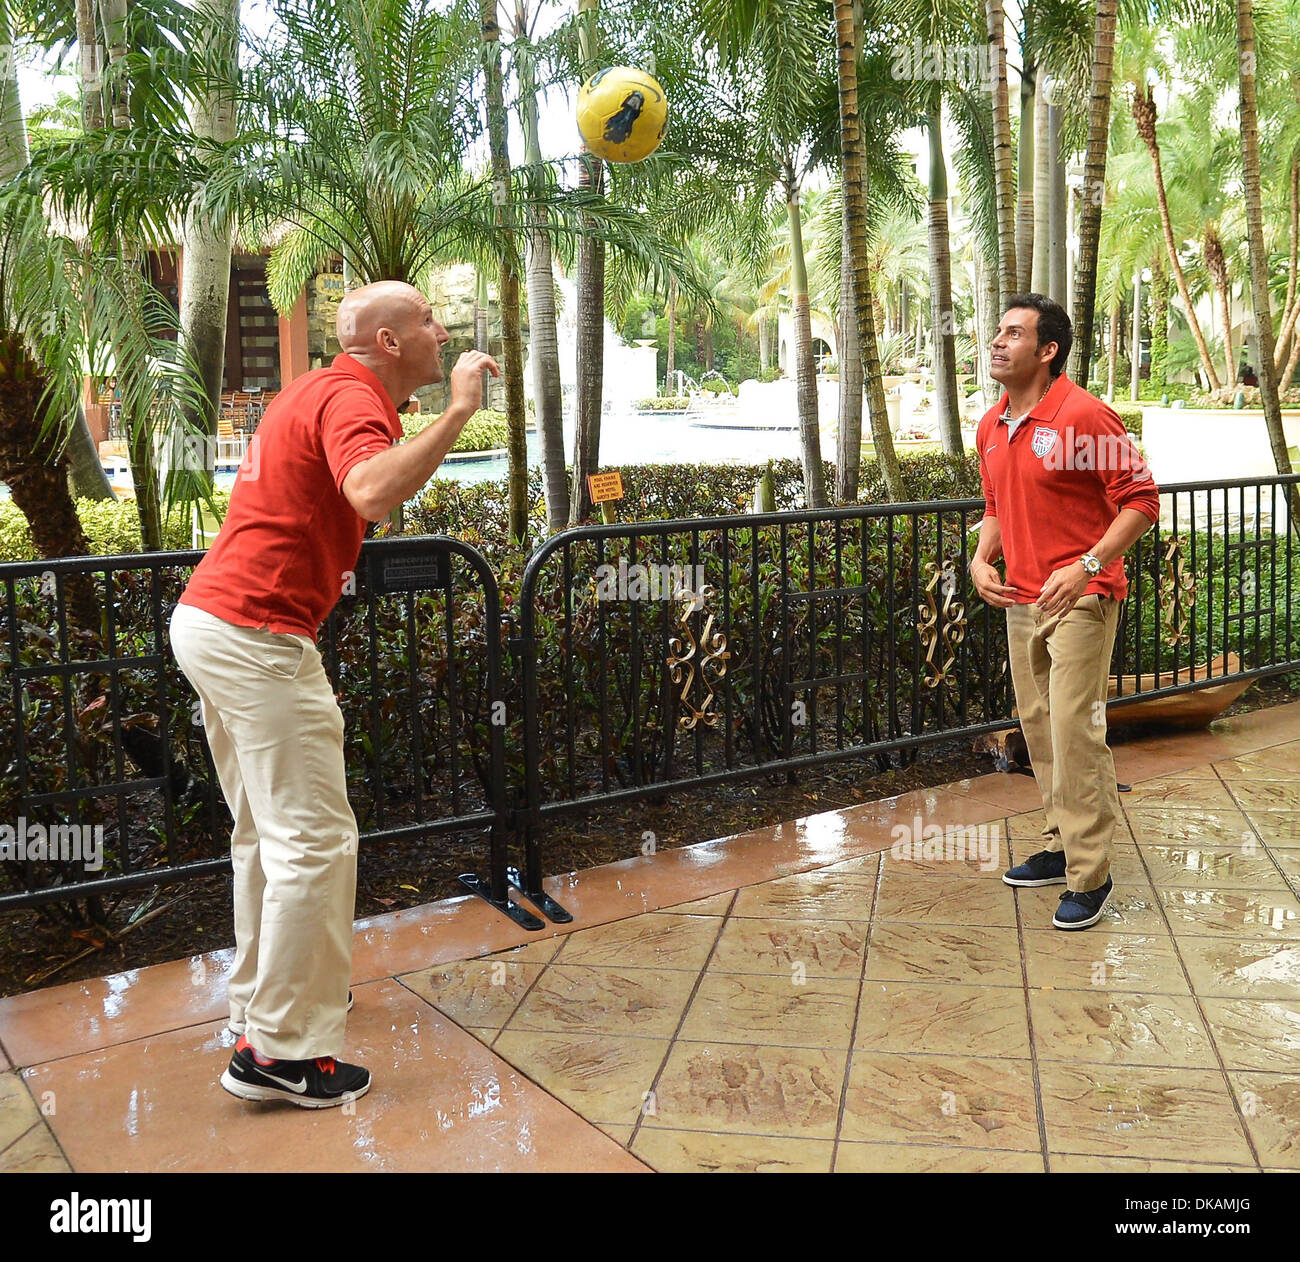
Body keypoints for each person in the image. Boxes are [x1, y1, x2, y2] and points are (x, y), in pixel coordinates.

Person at [169, 281, 499, 1105]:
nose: (441, 327)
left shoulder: (315, 389)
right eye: (426, 318)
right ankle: (280, 1052)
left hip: (212, 619)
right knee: (315, 839)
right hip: (258, 632)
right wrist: (457, 412)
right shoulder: (354, 396)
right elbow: (370, 491)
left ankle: (264, 1004)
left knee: (265, 835)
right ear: (388, 343)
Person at [970, 294, 1160, 930]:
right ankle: (1062, 843)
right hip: (1020, 598)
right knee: (1040, 727)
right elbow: (995, 506)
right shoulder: (992, 425)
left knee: (1075, 730)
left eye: (1014, 333)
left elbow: (1140, 499)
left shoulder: (1082, 416)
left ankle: (1091, 873)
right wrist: (979, 560)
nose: (997, 342)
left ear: (1047, 351)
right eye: (997, 331)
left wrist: (1086, 566)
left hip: (1083, 596)